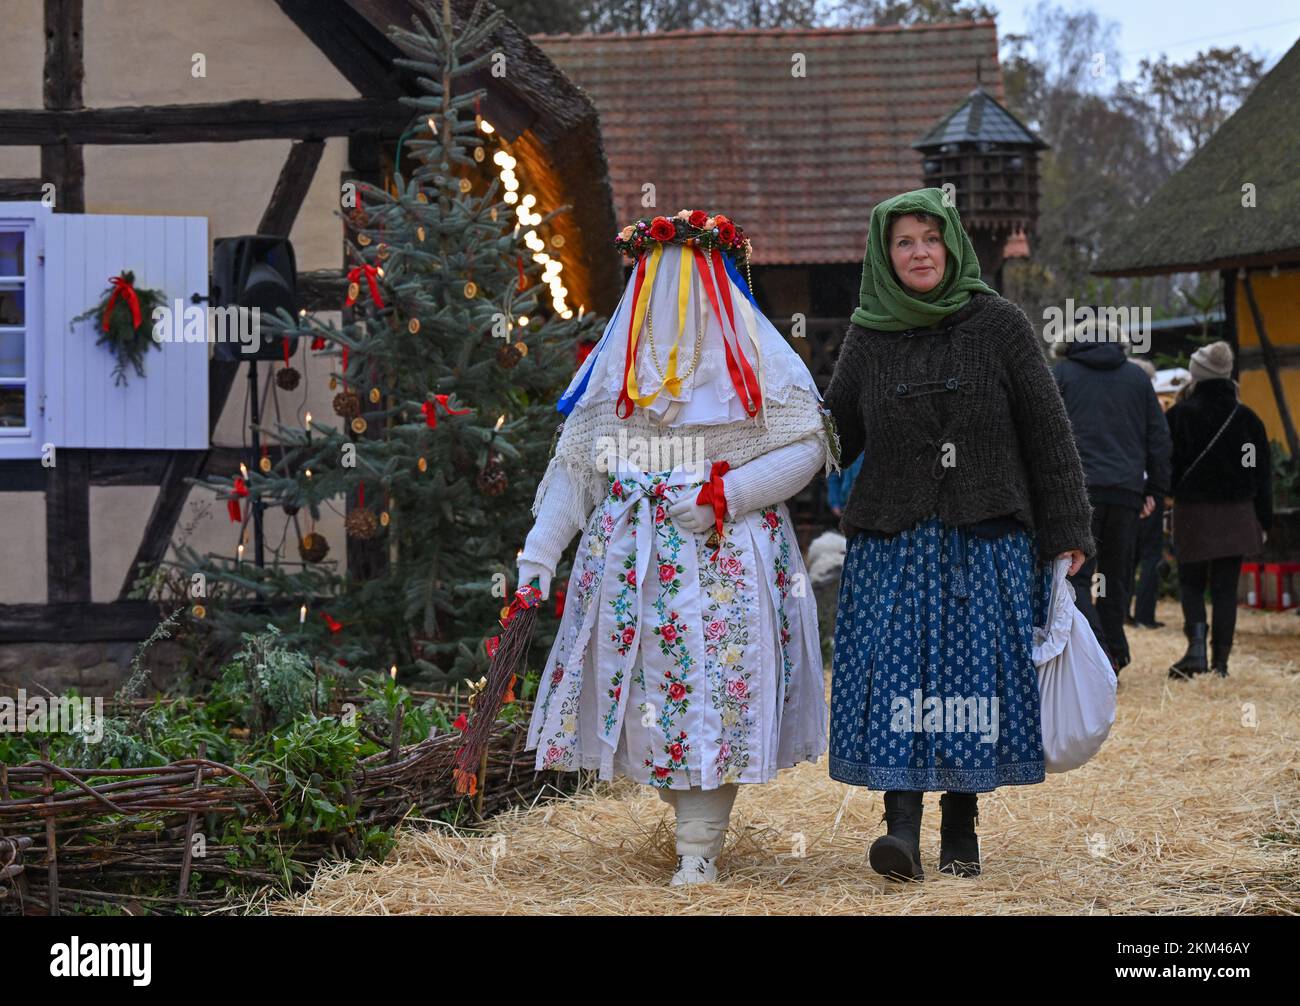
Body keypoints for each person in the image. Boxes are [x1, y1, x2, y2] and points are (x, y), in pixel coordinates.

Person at [517, 210, 838, 886]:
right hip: (634, 567)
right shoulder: (618, 372)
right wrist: (539, 557)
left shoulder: (758, 362)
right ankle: (691, 822)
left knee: (716, 698)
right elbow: (577, 470)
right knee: (650, 700)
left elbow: (806, 444)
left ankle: (700, 844)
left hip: (726, 562)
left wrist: (731, 495)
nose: (671, 301)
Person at [825, 188, 1094, 882]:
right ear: (885, 256)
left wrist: (1068, 530)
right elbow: (833, 437)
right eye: (903, 242)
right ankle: (901, 829)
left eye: (929, 238)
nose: (919, 253)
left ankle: (962, 824)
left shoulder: (999, 325)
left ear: (951, 246)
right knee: (894, 677)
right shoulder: (868, 333)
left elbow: (1048, 432)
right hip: (893, 539)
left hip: (985, 536)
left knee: (972, 679)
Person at [1053, 325, 1172, 675]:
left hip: (1077, 492)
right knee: (1116, 578)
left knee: (1076, 578)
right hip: (1125, 491)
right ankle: (1114, 652)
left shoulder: (1059, 375)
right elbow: (1158, 437)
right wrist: (1155, 491)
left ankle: (1100, 655)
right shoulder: (1137, 378)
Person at [1165, 341, 1272, 678]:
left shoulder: (1179, 416)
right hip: (1237, 514)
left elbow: (1166, 464)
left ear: (1197, 375)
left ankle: (1195, 649)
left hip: (1193, 512)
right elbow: (1261, 474)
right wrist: (1263, 519)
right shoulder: (1248, 419)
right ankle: (1221, 665)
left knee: (1192, 583)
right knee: (1226, 589)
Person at [827, 451, 863, 519]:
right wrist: (835, 503)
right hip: (846, 505)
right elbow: (834, 477)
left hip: (869, 504)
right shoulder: (844, 447)